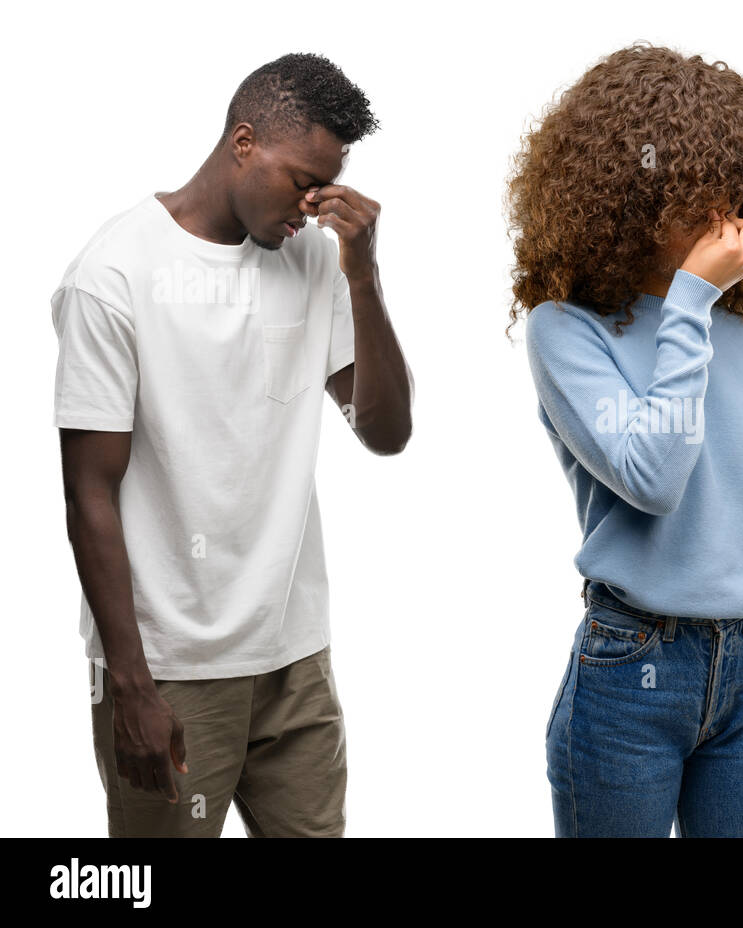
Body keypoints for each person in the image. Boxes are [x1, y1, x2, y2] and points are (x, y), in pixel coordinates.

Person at [53, 52, 413, 837]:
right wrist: (134, 687)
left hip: (294, 660)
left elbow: (385, 434)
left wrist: (364, 274)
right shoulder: (114, 275)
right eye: (300, 181)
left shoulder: (316, 256)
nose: (312, 206)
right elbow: (89, 496)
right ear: (243, 142)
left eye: (325, 187)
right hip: (171, 672)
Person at [507, 43, 743, 837]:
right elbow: (653, 476)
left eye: (737, 187)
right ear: (630, 191)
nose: (725, 209)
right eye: (696, 185)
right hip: (631, 675)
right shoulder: (566, 333)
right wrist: (690, 299)